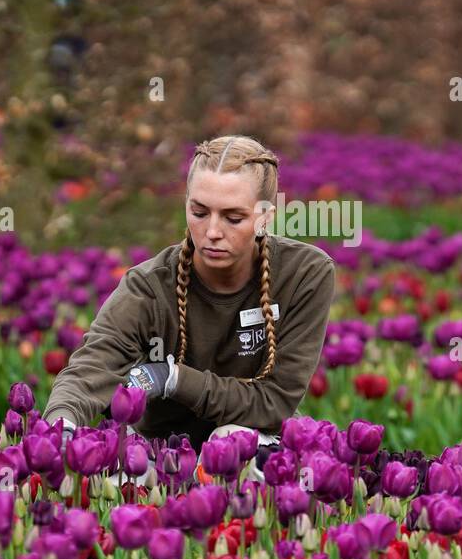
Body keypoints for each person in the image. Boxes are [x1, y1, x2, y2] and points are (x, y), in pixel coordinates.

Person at [42, 134, 336, 477]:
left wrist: (171, 378)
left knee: (231, 443)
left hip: (251, 441)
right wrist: (59, 429)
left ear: (266, 217)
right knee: (118, 470)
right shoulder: (149, 285)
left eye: (233, 218)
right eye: (199, 212)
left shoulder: (305, 273)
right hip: (156, 452)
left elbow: (273, 403)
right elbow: (90, 369)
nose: (211, 231)